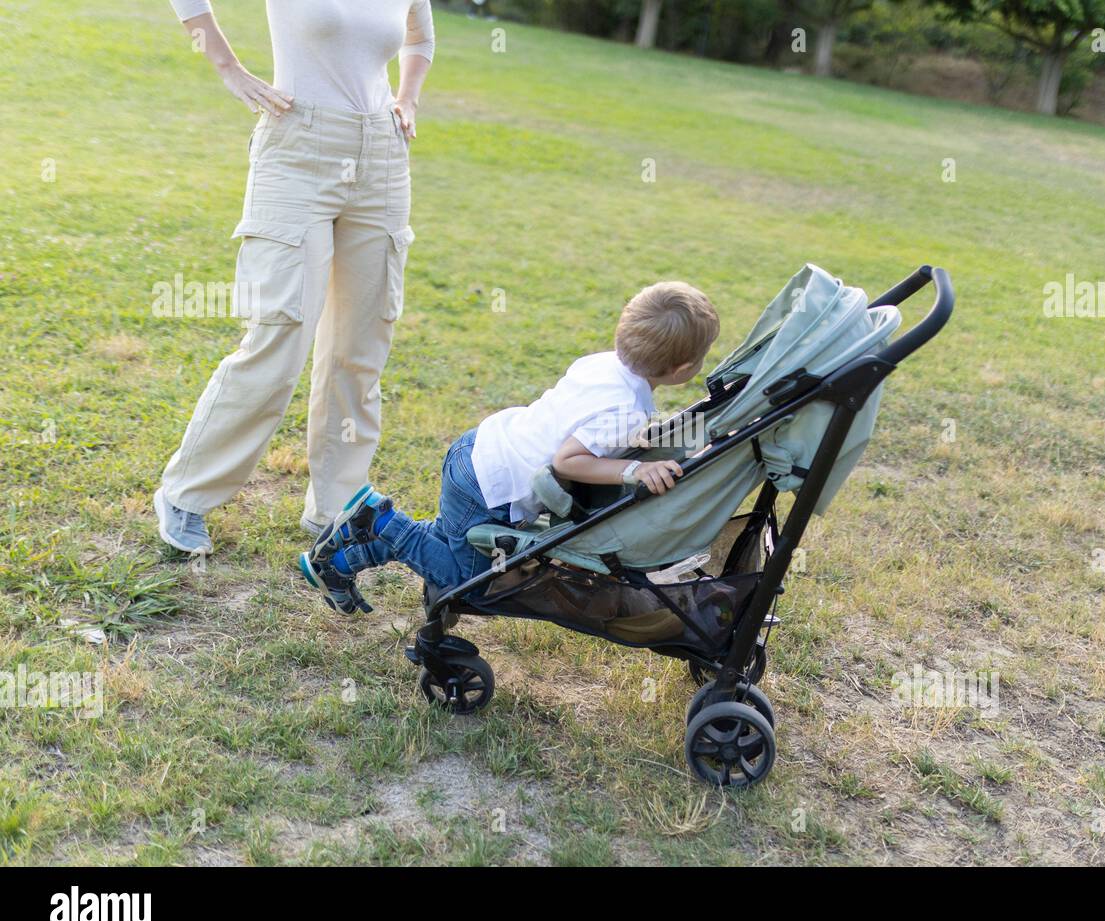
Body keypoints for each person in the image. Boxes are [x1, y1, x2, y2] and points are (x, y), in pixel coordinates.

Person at [154, 1, 435, 555]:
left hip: (381, 155)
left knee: (362, 344)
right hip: (297, 148)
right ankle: (186, 494)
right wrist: (228, 68)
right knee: (280, 332)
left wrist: (407, 98)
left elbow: (419, 39)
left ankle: (336, 506)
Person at [298, 281, 721, 613]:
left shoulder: (604, 363)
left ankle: (335, 567)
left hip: (481, 448)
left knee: (447, 539)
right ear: (683, 369)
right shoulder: (627, 408)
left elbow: (586, 424)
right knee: (466, 577)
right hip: (491, 486)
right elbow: (568, 460)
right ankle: (378, 520)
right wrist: (633, 471)